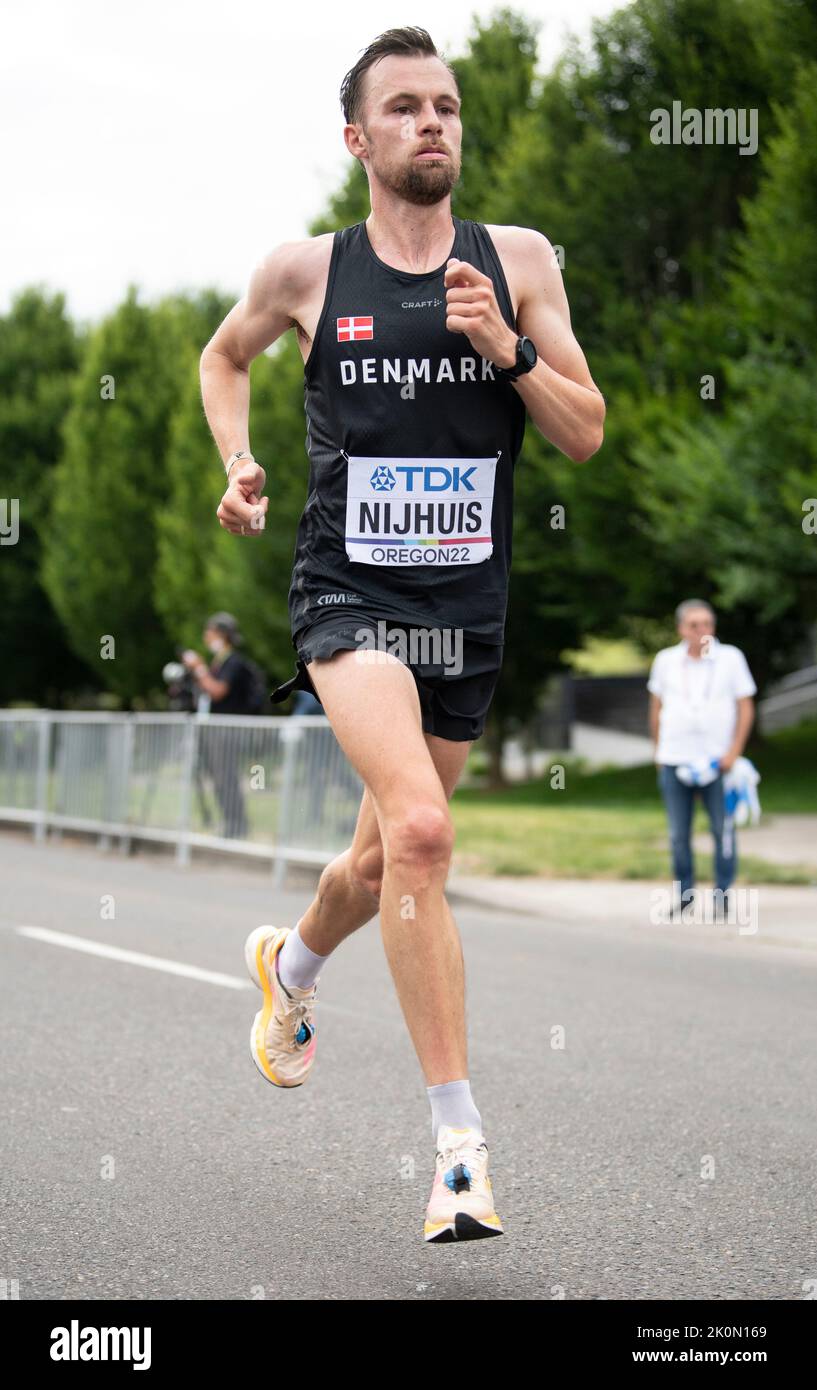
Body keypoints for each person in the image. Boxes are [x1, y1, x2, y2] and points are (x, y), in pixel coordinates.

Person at [199, 26, 604, 1242]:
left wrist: (507, 350)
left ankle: (291, 967)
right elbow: (223, 358)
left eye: (446, 105)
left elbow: (583, 431)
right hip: (348, 595)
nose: (433, 122)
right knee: (424, 831)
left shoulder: (517, 261)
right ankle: (459, 1150)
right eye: (405, 107)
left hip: (465, 612)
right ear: (358, 138)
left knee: (382, 865)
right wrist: (239, 463)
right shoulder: (306, 273)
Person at [648, 599, 757, 917]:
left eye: (707, 624)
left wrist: (734, 751)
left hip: (718, 760)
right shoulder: (666, 660)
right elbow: (656, 706)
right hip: (675, 757)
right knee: (678, 834)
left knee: (723, 830)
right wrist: (658, 750)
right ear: (681, 629)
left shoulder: (730, 658)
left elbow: (745, 706)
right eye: (694, 625)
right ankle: (685, 894)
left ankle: (722, 894)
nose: (702, 630)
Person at [182, 613, 253, 838]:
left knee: (226, 777)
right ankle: (229, 822)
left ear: (221, 634)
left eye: (210, 632)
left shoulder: (233, 662)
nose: (206, 636)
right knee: (219, 778)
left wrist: (199, 668)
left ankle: (237, 824)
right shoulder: (219, 662)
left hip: (226, 730)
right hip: (215, 728)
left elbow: (218, 690)